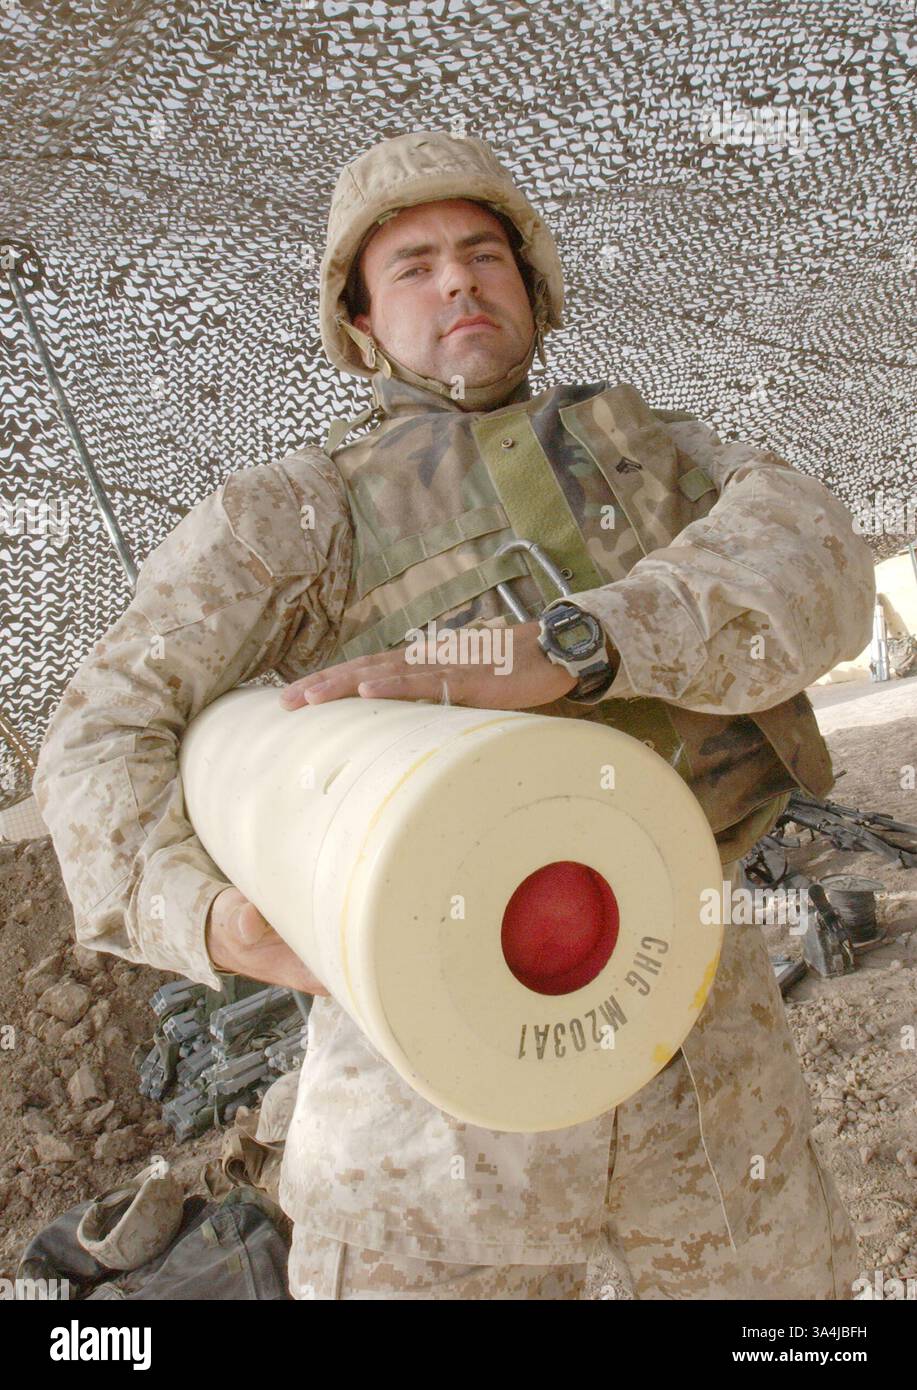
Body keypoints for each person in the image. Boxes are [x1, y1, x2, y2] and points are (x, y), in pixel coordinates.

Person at [34, 130, 876, 1300]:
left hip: (703, 1069)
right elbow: (100, 733)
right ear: (364, 324)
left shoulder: (655, 456)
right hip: (430, 1132)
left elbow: (815, 554)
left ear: (531, 289)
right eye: (414, 266)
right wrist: (217, 921)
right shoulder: (293, 518)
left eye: (483, 254)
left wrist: (570, 643)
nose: (457, 282)